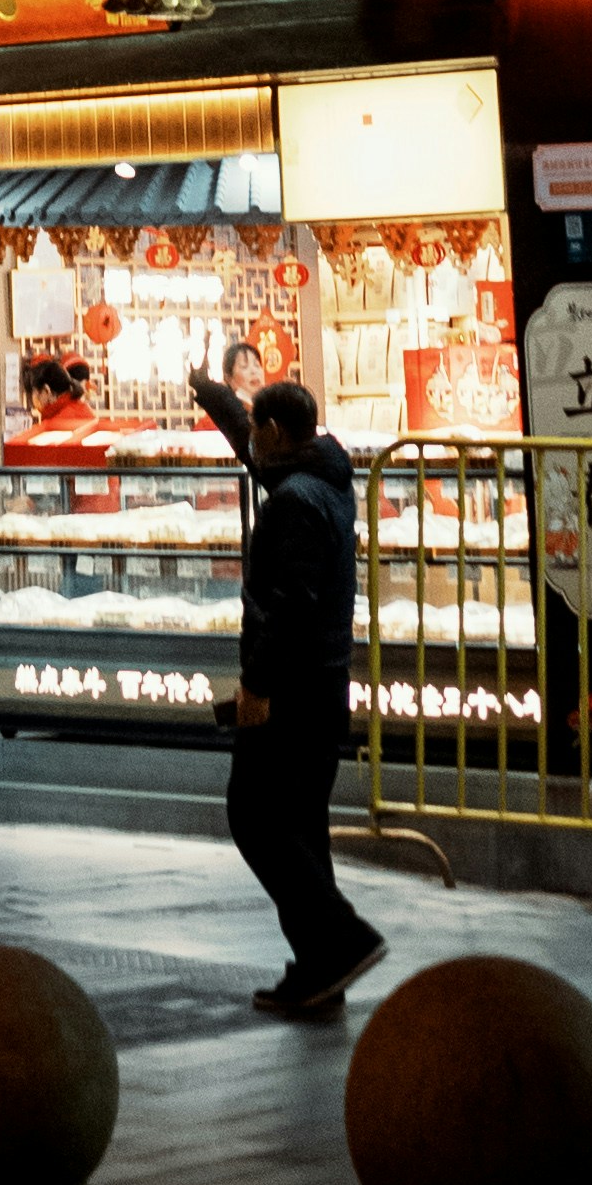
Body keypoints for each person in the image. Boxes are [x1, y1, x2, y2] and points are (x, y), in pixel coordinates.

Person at [191, 369, 385, 1019]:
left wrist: (255, 686)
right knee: (302, 828)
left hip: (293, 690)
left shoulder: (295, 503)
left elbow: (288, 606)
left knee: (255, 816)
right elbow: (255, 450)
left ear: (275, 433)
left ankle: (341, 938)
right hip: (324, 686)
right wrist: (212, 394)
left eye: (255, 433)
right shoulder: (324, 481)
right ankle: (319, 973)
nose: (250, 446)